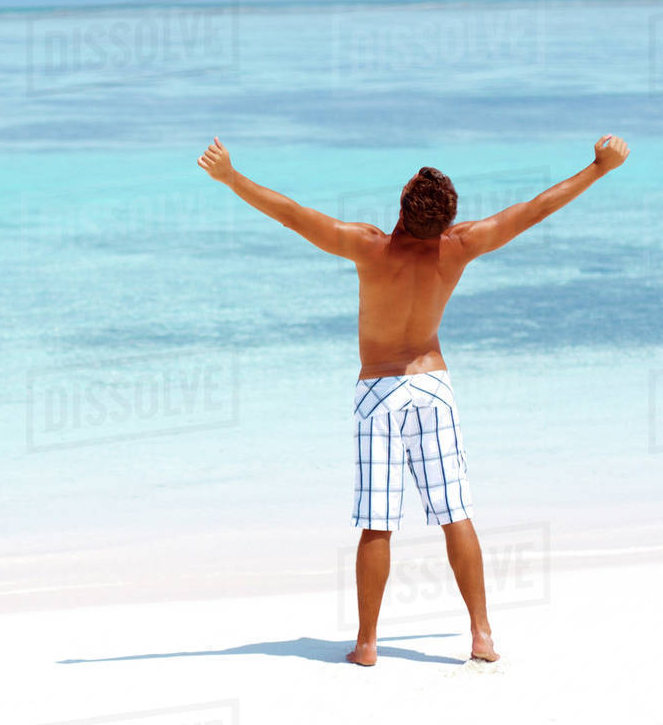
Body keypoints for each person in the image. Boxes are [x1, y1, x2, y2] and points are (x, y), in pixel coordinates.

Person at [197, 134, 630, 665]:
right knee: (456, 514)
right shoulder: (461, 246)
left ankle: (367, 643)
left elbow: (292, 215)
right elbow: (533, 210)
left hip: (378, 391)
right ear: (446, 222)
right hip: (432, 386)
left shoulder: (368, 247)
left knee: (377, 522)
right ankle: (482, 634)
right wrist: (598, 168)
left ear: (402, 209)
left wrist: (230, 177)